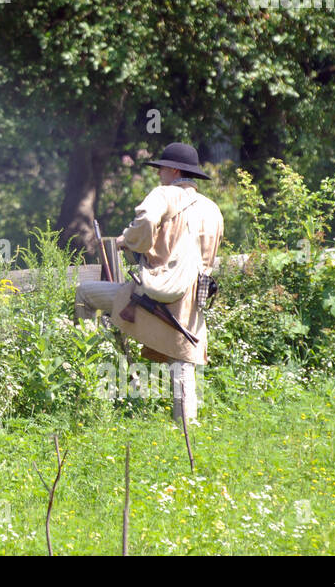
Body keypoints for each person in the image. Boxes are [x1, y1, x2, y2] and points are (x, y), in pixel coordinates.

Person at [75, 142, 224, 423]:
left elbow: (145, 223)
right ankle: (187, 428)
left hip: (155, 292)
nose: (159, 175)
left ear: (174, 170)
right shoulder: (212, 209)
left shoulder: (164, 195)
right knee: (182, 356)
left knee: (85, 294)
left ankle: (85, 370)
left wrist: (123, 242)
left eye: (162, 169)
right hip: (194, 295)